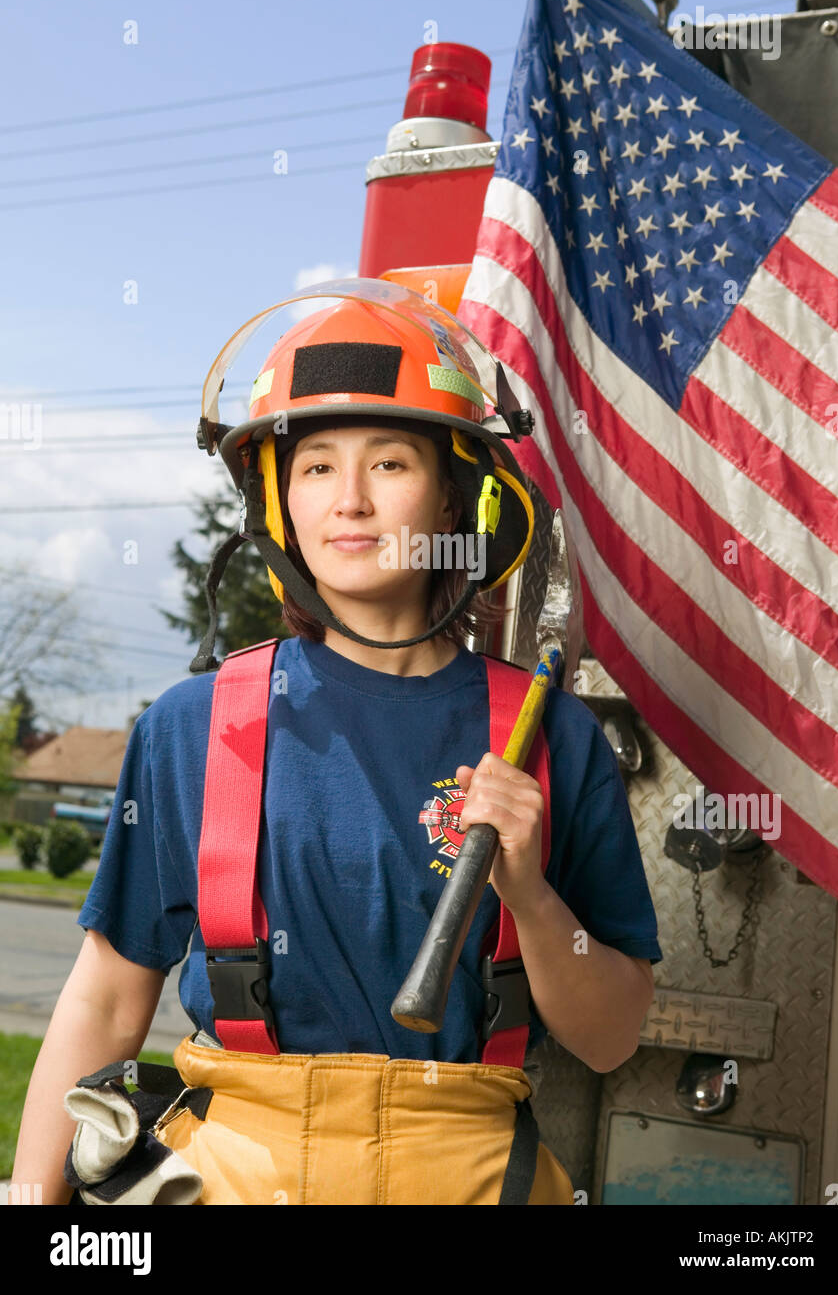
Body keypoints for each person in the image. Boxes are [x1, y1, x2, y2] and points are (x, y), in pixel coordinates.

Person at [11, 278, 662, 1206]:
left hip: (471, 1172)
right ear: (278, 504)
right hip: (232, 1172)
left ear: (454, 503)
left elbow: (611, 1037)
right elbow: (108, 999)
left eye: (391, 463)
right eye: (316, 466)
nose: (349, 500)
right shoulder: (194, 729)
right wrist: (35, 1205)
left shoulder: (550, 740)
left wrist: (530, 891)